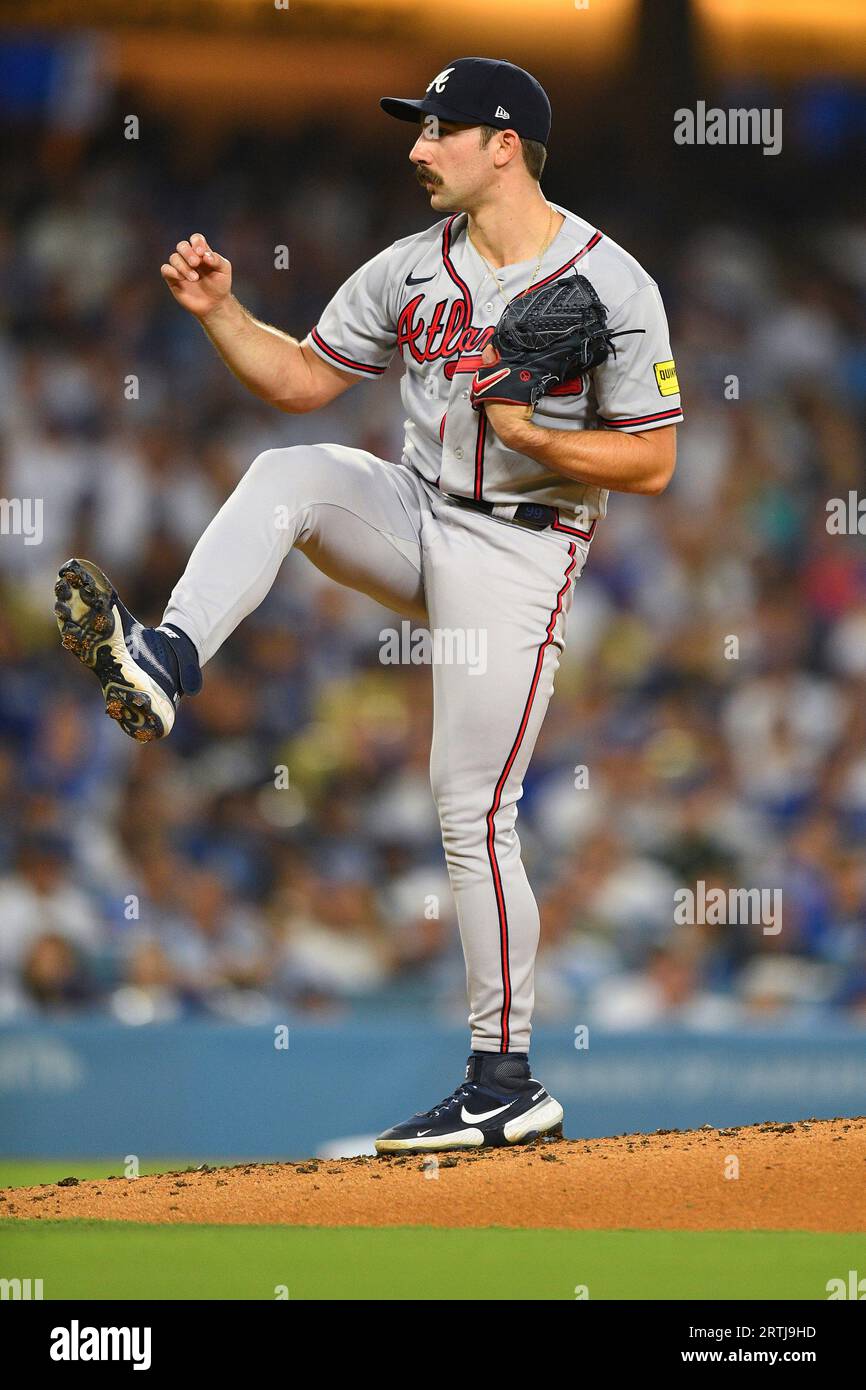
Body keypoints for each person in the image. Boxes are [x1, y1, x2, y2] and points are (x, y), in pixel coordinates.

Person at [54, 57, 681, 1153]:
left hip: (520, 546)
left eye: (436, 130)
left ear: (501, 144)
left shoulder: (610, 279)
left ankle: (506, 1078)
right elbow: (301, 378)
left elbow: (656, 460)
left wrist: (535, 436)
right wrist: (222, 311)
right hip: (417, 507)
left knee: (469, 808)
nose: (414, 147)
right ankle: (165, 656)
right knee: (289, 472)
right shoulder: (410, 267)